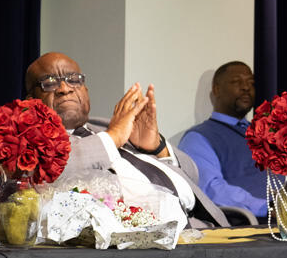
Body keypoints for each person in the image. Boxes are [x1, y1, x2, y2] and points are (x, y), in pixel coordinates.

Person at [24, 52, 227, 228]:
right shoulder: (23, 142)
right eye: (49, 82)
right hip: (140, 243)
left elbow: (193, 175)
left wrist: (157, 148)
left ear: (86, 90)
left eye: (73, 79)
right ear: (30, 100)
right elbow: (45, 171)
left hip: (203, 227)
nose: (64, 88)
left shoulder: (106, 126)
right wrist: (112, 139)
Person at [178, 61, 267, 218]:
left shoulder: (264, 132)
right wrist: (268, 207)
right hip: (255, 223)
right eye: (236, 82)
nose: (246, 87)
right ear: (216, 89)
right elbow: (212, 189)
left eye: (250, 83)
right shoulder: (198, 137)